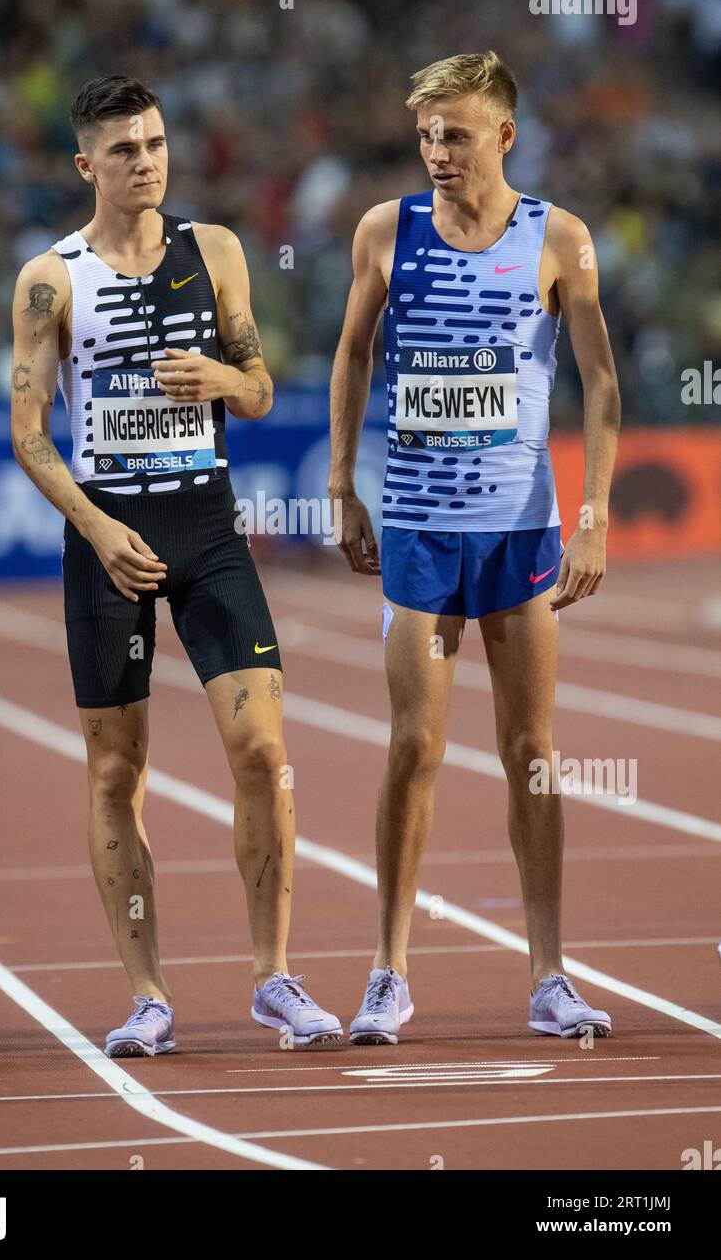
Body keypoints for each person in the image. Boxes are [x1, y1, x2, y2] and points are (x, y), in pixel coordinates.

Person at [10, 75, 341, 1056]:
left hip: (205, 531)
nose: (146, 161)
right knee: (117, 774)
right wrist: (95, 528)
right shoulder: (49, 279)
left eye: (154, 143)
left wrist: (228, 378)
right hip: (106, 544)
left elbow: (261, 389)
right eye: (123, 150)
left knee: (264, 758)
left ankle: (273, 978)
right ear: (86, 165)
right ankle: (147, 997)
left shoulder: (217, 251)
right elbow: (28, 435)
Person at [328, 51, 621, 1043]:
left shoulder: (558, 238)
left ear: (503, 134)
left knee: (530, 751)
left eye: (453, 133)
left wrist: (595, 512)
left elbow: (601, 384)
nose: (435, 152)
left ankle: (547, 976)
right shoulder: (385, 230)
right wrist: (339, 486)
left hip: (519, 532)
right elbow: (351, 353)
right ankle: (385, 972)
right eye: (423, 135)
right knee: (413, 744)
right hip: (416, 529)